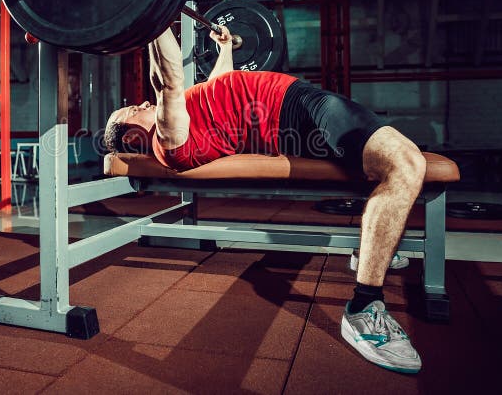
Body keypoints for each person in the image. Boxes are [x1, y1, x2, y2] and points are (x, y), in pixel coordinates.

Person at [104, 25, 426, 374]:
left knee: (380, 162)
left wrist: (225, 50)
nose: (143, 103)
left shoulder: (188, 121)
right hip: (297, 112)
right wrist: (156, 16)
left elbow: (219, 87)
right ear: (133, 137)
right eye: (133, 109)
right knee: (404, 164)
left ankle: (371, 252)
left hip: (299, 103)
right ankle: (364, 308)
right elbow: (166, 80)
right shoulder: (167, 139)